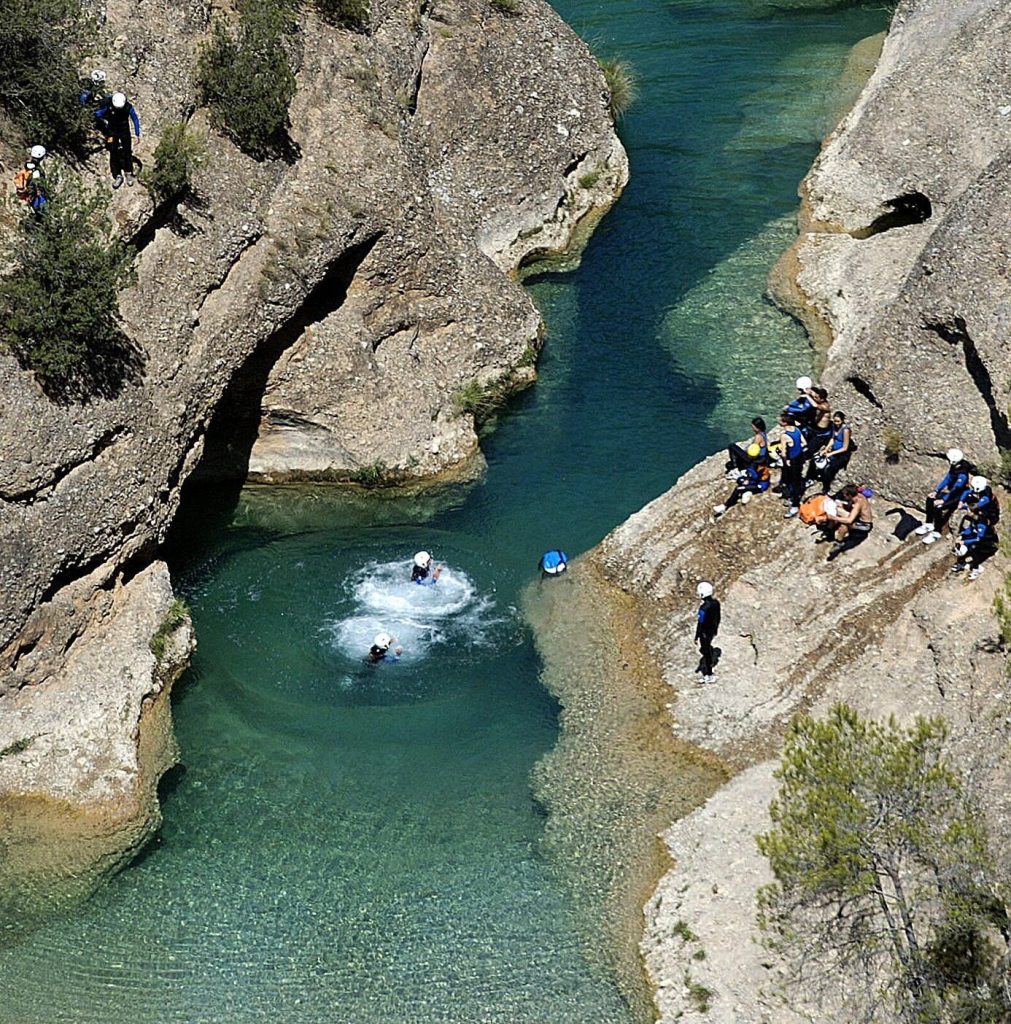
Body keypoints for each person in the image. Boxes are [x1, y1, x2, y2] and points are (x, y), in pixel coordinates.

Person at [914, 448, 973, 544]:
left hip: (958, 496)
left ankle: (937, 532)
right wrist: (936, 491)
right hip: (952, 493)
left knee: (939, 507)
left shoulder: (962, 474)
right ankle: (929, 524)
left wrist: (943, 500)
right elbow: (947, 479)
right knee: (930, 498)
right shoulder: (955, 467)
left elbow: (956, 489)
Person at [95, 92, 141, 188]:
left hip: (124, 131)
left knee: (127, 152)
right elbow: (98, 114)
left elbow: (135, 119)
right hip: (112, 132)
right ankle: (117, 175)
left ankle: (128, 172)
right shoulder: (109, 106)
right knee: (113, 152)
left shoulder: (128, 107)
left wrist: (137, 134)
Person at [825, 483, 873, 561]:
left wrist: (834, 518)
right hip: (860, 520)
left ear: (850, 495)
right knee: (838, 509)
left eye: (845, 495)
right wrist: (842, 505)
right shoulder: (858, 496)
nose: (844, 496)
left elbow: (849, 520)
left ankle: (838, 540)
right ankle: (834, 533)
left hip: (863, 525)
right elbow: (851, 507)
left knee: (844, 524)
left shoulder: (858, 503)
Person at [808, 411, 853, 493]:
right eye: (835, 421)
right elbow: (832, 439)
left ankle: (826, 487)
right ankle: (810, 478)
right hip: (833, 450)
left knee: (828, 469)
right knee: (814, 460)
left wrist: (831, 454)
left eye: (838, 421)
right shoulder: (834, 427)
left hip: (841, 454)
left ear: (842, 420)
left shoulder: (846, 430)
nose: (836, 423)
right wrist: (826, 449)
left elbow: (845, 447)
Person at [951, 506, 999, 580]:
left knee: (973, 547)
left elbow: (978, 538)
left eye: (968, 510)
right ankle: (961, 562)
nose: (967, 512)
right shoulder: (974, 520)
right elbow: (970, 529)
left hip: (990, 544)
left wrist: (964, 541)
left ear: (973, 513)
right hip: (983, 541)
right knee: (965, 540)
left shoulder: (981, 524)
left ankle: (976, 569)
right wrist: (962, 535)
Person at [778, 414, 807, 518]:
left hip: (792, 460)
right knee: (797, 478)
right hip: (799, 457)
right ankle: (794, 495)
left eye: (780, 420)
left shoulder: (784, 436)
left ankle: (794, 505)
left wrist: (786, 460)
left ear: (785, 422)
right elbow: (804, 443)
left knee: (793, 481)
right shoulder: (797, 429)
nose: (778, 421)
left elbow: (784, 452)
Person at [695, 581, 721, 684]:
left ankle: (709, 674)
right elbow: (718, 617)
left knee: (706, 652)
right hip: (712, 631)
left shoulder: (703, 608)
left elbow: (700, 623)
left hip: (704, 633)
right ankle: (709, 673)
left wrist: (697, 636)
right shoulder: (716, 603)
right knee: (707, 648)